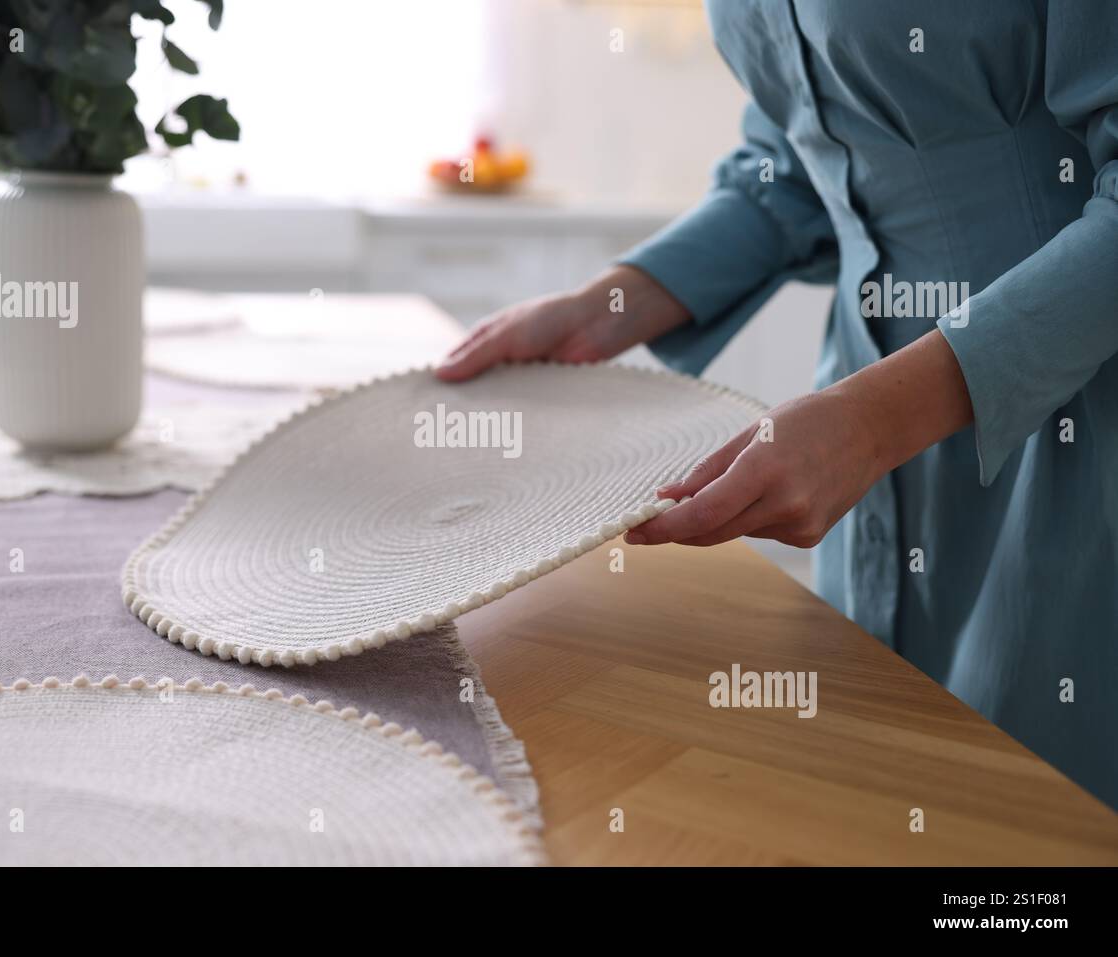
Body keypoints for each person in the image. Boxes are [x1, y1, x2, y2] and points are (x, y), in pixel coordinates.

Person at [437, 1, 1118, 808]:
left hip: (1074, 422)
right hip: (864, 442)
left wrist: (871, 424)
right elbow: (796, 167)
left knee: (1035, 820)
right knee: (879, 799)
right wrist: (604, 309)